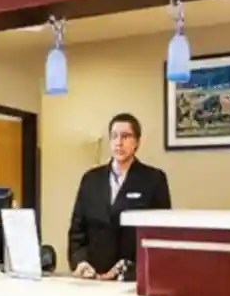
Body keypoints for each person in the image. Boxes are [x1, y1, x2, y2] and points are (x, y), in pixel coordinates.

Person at [68, 113, 172, 280]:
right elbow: (77, 232)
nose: (119, 142)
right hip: (92, 277)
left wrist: (129, 269)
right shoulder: (91, 179)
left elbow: (160, 235)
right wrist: (80, 262)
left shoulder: (153, 179)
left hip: (131, 278)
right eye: (114, 136)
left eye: (125, 136)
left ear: (136, 142)